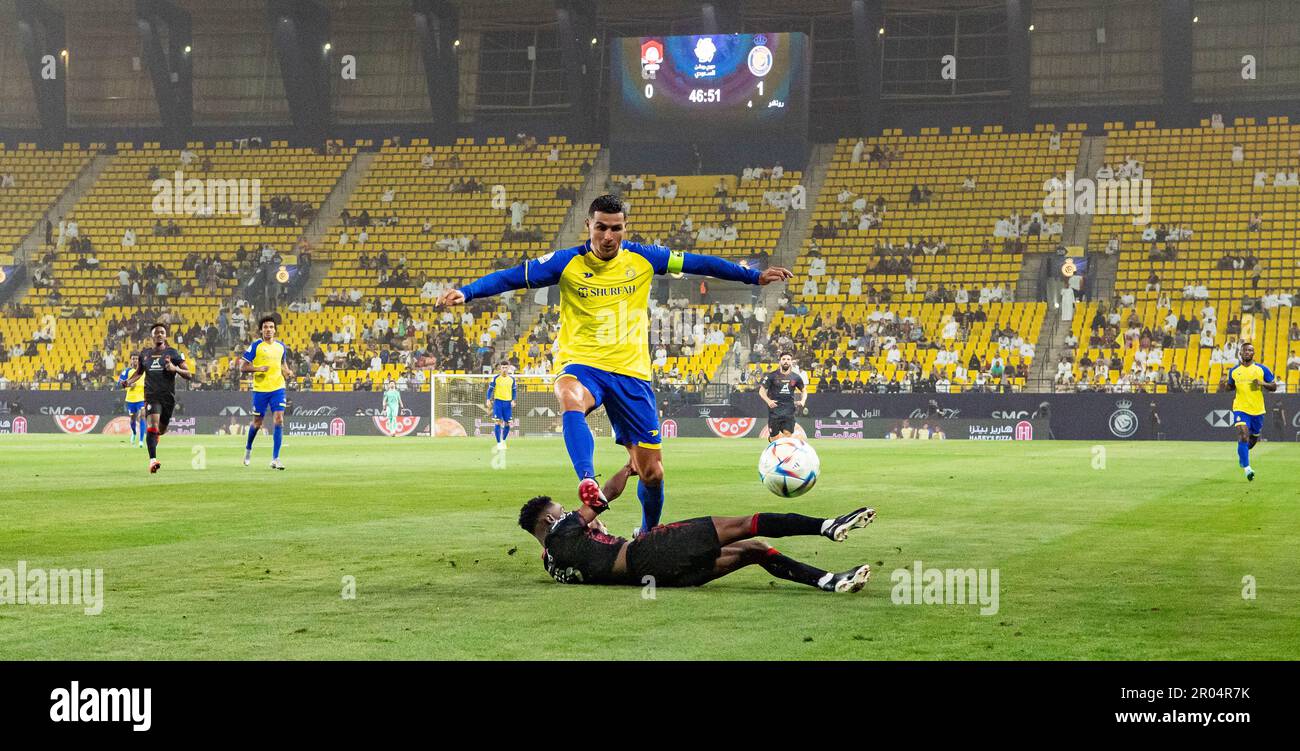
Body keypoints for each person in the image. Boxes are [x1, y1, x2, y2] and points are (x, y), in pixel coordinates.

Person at [438, 195, 791, 534]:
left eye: (616, 229)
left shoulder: (645, 258)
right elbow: (512, 276)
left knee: (651, 472)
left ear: (625, 228)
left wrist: (751, 276)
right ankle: (588, 479)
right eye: (601, 228)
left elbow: (700, 263)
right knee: (569, 395)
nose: (608, 236)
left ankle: (649, 532)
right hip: (583, 363)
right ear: (589, 225)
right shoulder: (567, 262)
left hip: (631, 373)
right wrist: (467, 292)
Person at [517, 491, 875, 592]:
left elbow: (591, 555)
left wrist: (595, 535)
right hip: (650, 552)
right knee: (746, 526)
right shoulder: (562, 530)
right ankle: (828, 525)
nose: (567, 513)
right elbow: (602, 497)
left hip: (656, 579)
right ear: (549, 520)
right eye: (562, 511)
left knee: (754, 551)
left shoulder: (551, 563)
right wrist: (629, 466)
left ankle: (829, 581)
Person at [124, 323, 193, 474]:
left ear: (165, 335)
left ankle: (155, 437)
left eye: (162, 332)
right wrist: (128, 382)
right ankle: (153, 460)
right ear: (152, 336)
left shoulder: (173, 353)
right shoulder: (145, 354)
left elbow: (189, 374)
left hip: (168, 397)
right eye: (156, 333)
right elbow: (138, 372)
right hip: (151, 395)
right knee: (152, 426)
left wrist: (175, 369)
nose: (159, 335)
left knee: (160, 430)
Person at [240, 315, 293, 469]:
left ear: (275, 330)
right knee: (257, 423)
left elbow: (282, 364)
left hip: (278, 388)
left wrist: (287, 371)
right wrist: (257, 369)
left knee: (279, 419)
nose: (268, 330)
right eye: (265, 327)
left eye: (271, 327)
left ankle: (275, 458)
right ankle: (248, 449)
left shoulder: (281, 346)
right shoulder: (256, 346)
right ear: (261, 330)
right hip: (260, 389)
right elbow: (243, 367)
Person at [1225, 342, 1277, 481]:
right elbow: (1229, 387)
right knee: (1243, 435)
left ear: (1253, 354)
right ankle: (1247, 469)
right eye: (1245, 350)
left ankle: (1243, 455)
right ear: (1241, 353)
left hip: (1258, 410)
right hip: (1240, 408)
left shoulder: (1262, 369)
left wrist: (1262, 384)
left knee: (1253, 439)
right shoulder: (1234, 371)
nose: (1247, 352)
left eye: (1250, 350)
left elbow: (1274, 386)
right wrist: (1224, 384)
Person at [759, 352, 806, 438]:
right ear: (780, 361)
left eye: (788, 359)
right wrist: (768, 401)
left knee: (788, 435)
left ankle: (785, 451)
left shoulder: (796, 377)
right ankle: (772, 438)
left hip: (789, 411)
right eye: (783, 359)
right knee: (775, 438)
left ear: (791, 362)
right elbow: (761, 391)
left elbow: (804, 391)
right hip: (775, 411)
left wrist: (803, 401)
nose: (786, 361)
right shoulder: (771, 376)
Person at [117, 354, 147, 449]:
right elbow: (119, 383)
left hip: (141, 398)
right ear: (130, 360)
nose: (135, 360)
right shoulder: (127, 371)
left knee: (142, 415)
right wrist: (129, 385)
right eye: (133, 359)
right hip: (131, 399)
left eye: (136, 359)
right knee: (133, 419)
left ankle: (141, 441)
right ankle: (134, 433)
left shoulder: (143, 371)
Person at [486, 362, 517, 452]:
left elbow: (514, 391)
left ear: (508, 368)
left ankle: (503, 441)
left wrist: (513, 400)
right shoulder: (496, 378)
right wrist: (488, 399)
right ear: (500, 368)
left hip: (507, 403)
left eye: (506, 367)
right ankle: (499, 443)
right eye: (503, 367)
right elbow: (490, 389)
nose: (504, 369)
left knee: (508, 423)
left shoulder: (512, 379)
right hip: (498, 402)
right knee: (498, 422)